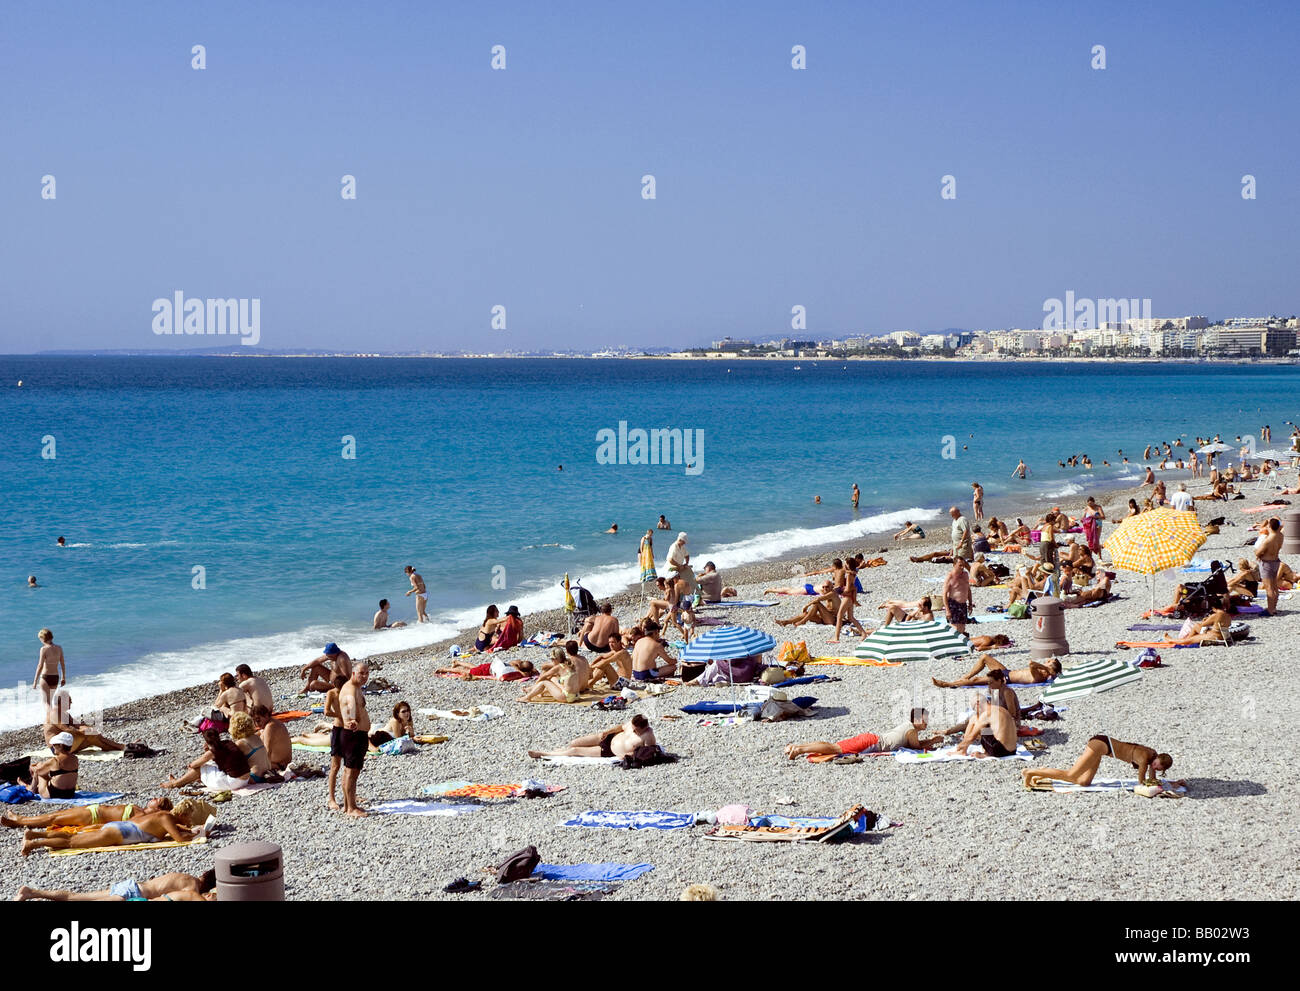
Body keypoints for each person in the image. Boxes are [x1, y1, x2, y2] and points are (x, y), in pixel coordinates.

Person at [20, 808, 200, 857]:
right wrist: (194, 834)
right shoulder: (166, 819)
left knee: (72, 836)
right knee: (71, 843)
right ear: (183, 815)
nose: (189, 822)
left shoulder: (162, 816)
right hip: (120, 833)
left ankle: (35, 835)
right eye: (189, 818)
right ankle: (34, 844)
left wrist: (187, 829)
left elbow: (175, 830)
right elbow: (178, 839)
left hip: (119, 827)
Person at [1022, 736, 1175, 790]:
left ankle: (1043, 771)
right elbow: (1142, 781)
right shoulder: (1144, 759)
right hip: (1100, 744)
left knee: (1084, 782)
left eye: (1157, 767)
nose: (1154, 767)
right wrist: (1157, 786)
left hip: (1103, 748)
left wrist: (1172, 784)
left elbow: (1152, 776)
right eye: (1155, 764)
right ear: (1157, 758)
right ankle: (1030, 772)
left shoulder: (1153, 755)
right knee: (1071, 775)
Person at [783, 709, 941, 759]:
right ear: (918, 719)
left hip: (871, 738)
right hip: (872, 743)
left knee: (834, 746)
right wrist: (933, 741)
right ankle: (799, 750)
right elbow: (917, 747)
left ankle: (797, 747)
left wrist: (931, 740)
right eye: (925, 720)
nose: (926, 723)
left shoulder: (908, 727)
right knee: (835, 749)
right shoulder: (911, 730)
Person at [16, 870, 218, 902]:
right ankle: (31, 893)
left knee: (76, 897)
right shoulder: (192, 889)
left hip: (131, 885)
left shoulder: (185, 876)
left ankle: (32, 892)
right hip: (133, 894)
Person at [528, 714, 657, 760]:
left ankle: (543, 753)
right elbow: (621, 727)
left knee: (575, 751)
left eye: (636, 730)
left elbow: (648, 754)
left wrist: (629, 756)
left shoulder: (647, 735)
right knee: (574, 743)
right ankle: (560, 750)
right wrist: (607, 731)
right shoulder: (632, 723)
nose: (633, 731)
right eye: (633, 728)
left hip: (609, 751)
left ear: (643, 728)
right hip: (609, 738)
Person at [161, 728, 251, 791]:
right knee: (209, 766)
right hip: (245, 780)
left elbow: (193, 765)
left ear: (206, 741)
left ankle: (175, 784)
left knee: (200, 768)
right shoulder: (228, 743)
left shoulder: (213, 752)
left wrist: (207, 753)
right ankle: (183, 781)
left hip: (234, 783)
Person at [337, 662, 371, 817]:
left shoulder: (356, 687)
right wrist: (352, 719)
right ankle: (351, 808)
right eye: (361, 673)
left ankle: (348, 804)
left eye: (367, 673)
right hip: (353, 735)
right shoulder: (350, 690)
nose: (364, 676)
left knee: (351, 772)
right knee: (351, 772)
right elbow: (350, 704)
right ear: (353, 673)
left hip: (357, 735)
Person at [952, 691, 1018, 758]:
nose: (976, 712)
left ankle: (962, 751)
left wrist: (960, 746)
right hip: (1012, 751)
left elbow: (971, 737)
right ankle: (986, 752)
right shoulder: (1001, 709)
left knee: (974, 719)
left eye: (974, 709)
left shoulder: (986, 714)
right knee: (989, 729)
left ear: (977, 704)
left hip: (999, 751)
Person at [932, 654, 1061, 688]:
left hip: (1005, 679)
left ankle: (947, 684)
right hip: (1006, 672)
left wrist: (1047, 669)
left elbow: (1031, 663)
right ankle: (965, 677)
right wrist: (1048, 667)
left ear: (1050, 668)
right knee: (984, 657)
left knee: (976, 681)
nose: (1046, 660)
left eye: (1049, 662)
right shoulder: (1043, 671)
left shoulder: (1041, 676)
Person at [23, 733, 78, 799]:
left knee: (39, 768)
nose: (53, 747)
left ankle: (32, 788)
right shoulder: (75, 759)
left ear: (60, 746)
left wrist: (31, 767)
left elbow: (38, 771)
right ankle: (33, 787)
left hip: (54, 794)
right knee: (50, 772)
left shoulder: (55, 761)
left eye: (54, 745)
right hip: (70, 794)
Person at [33, 629, 66, 717]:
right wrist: (63, 677)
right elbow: (62, 663)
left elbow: (40, 665)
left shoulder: (43, 649)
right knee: (50, 701)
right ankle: (51, 719)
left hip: (45, 677)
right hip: (55, 677)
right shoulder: (59, 648)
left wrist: (35, 681)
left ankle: (52, 719)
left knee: (45, 702)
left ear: (43, 638)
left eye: (40, 638)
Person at [1254, 517, 1283, 615]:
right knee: (1274, 586)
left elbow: (1258, 552)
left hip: (1267, 563)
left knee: (1269, 588)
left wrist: (1258, 554)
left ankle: (1270, 610)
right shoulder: (1280, 536)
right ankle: (1273, 608)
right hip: (1276, 561)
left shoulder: (1268, 539)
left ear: (1270, 526)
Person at [776, 582, 840, 627]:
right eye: (823, 587)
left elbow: (818, 599)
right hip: (825, 617)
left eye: (827, 587)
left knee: (817, 604)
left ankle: (803, 621)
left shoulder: (833, 594)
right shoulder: (828, 593)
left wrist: (807, 606)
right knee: (806, 614)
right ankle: (786, 622)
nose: (825, 589)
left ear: (832, 587)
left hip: (832, 620)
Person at [250, 705, 292, 772]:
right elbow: (260, 733)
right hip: (282, 762)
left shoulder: (270, 727)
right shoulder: (273, 722)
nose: (256, 724)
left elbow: (267, 752)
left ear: (266, 715)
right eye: (254, 721)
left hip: (279, 765)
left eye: (258, 720)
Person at [942, 557, 972, 634]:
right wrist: (947, 610)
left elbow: (968, 589)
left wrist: (970, 604)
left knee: (962, 627)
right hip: (954, 604)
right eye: (960, 565)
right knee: (955, 628)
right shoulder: (950, 577)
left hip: (963, 604)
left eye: (963, 565)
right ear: (954, 565)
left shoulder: (965, 575)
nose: (962, 567)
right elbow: (944, 594)